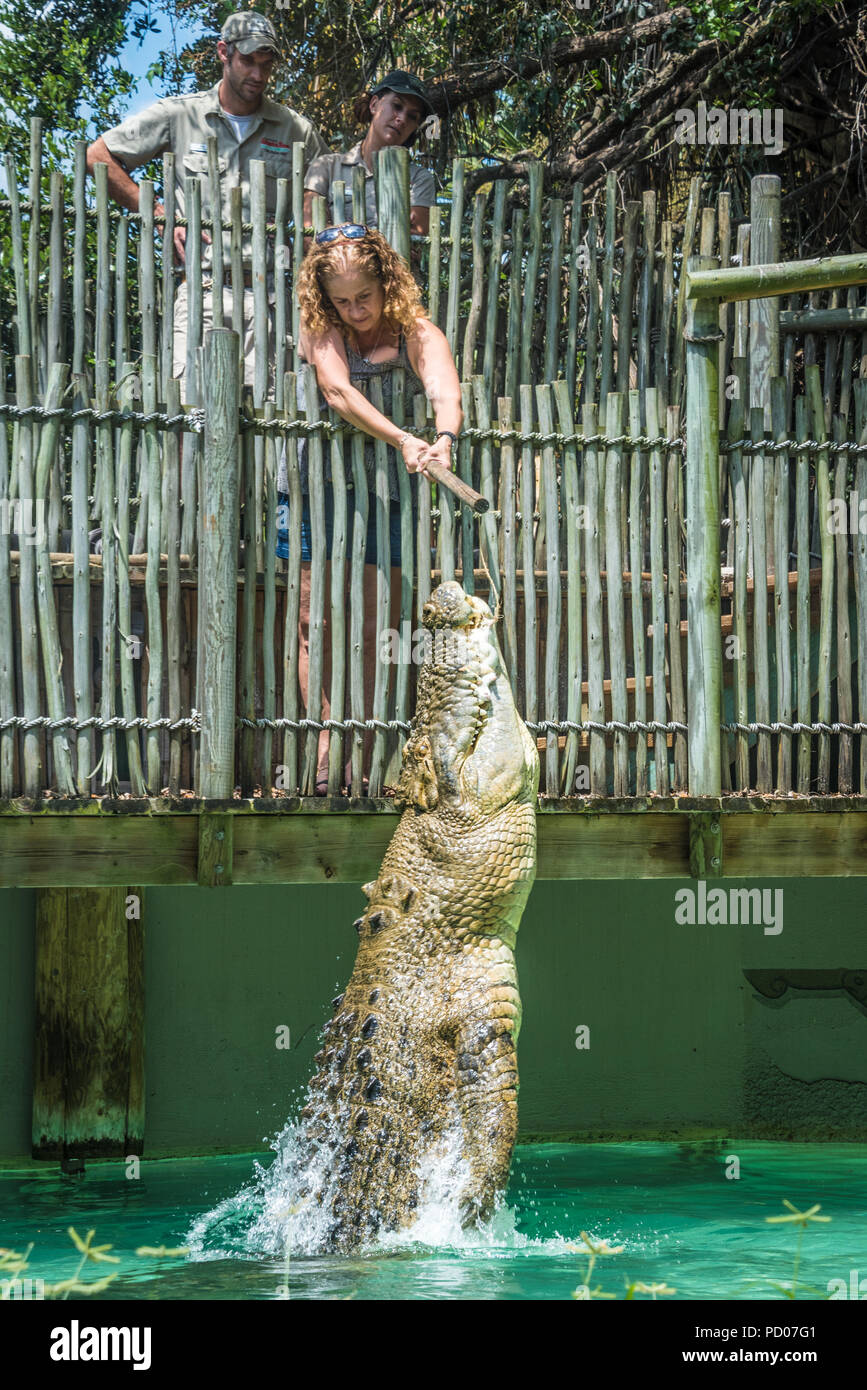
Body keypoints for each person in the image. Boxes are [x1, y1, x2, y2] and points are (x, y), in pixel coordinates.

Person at [280, 224, 462, 793]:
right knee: (315, 622)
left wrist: (443, 437)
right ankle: (325, 751)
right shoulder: (321, 329)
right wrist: (402, 438)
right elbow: (338, 393)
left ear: (388, 283)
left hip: (388, 493)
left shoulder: (417, 330)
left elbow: (443, 387)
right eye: (342, 300)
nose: (355, 310)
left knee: (378, 624)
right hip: (317, 487)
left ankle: (369, 750)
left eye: (364, 297)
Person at [86, 12, 328, 390]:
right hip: (199, 291)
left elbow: (325, 189)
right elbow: (97, 156)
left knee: (260, 424)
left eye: (266, 65)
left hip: (269, 301)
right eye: (248, 61)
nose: (258, 75)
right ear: (223, 53)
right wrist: (158, 212)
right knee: (190, 413)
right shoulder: (178, 115)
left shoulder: (295, 129)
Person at [302, 71, 436, 236]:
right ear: (374, 105)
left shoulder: (419, 180)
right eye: (397, 106)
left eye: (412, 116)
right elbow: (311, 237)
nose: (402, 119)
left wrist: (340, 233)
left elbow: (412, 249)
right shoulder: (326, 167)